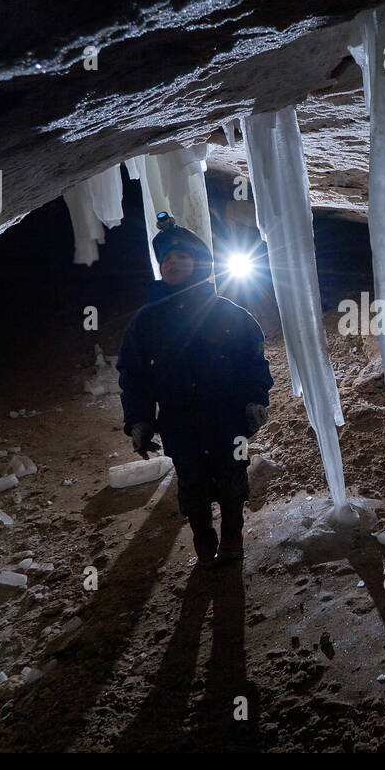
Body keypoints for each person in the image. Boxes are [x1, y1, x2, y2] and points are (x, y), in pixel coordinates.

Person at [117, 225, 272, 565]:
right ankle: (204, 540)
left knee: (233, 477)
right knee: (192, 484)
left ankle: (233, 537)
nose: (172, 263)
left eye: (181, 256)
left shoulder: (230, 312)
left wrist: (256, 398)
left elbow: (253, 360)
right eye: (166, 259)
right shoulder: (146, 322)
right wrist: (140, 420)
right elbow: (134, 374)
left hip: (227, 417)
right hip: (180, 420)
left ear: (200, 264)